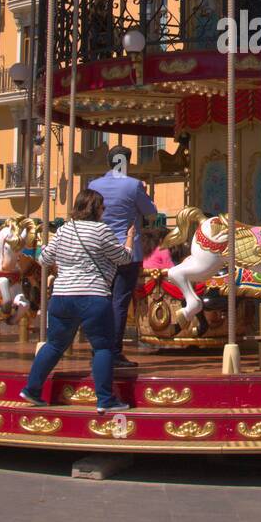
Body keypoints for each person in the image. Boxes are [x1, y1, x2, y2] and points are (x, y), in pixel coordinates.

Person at [19, 188, 133, 415]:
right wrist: (129, 239)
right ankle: (104, 399)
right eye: (102, 207)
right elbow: (123, 257)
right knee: (102, 347)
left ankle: (32, 388)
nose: (104, 211)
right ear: (95, 208)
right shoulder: (101, 230)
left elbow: (44, 258)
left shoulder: (63, 230)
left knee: (54, 344)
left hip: (62, 296)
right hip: (93, 295)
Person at [89, 146, 158, 367]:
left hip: (100, 250)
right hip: (127, 249)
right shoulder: (133, 185)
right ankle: (114, 351)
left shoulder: (93, 185)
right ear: (126, 162)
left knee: (101, 299)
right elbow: (150, 212)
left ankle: (98, 348)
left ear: (109, 162)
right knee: (119, 302)